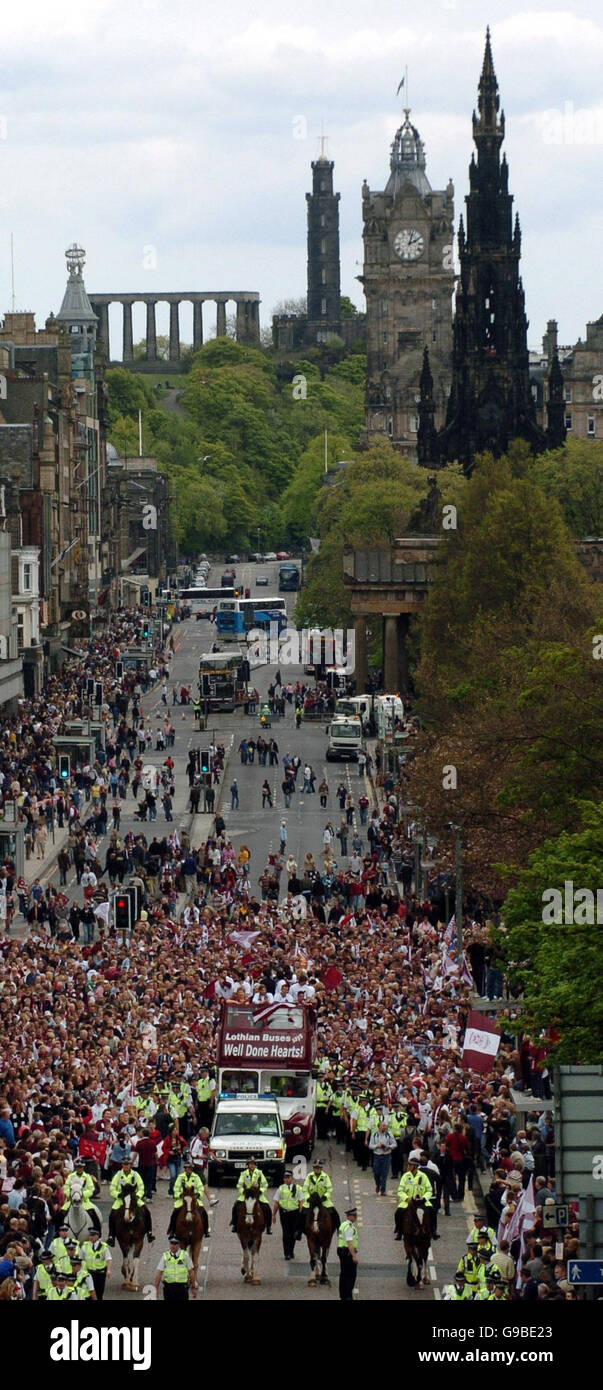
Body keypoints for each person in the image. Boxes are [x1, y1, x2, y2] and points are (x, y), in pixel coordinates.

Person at [107, 1157, 154, 1246]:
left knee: (147, 1212)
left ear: (130, 1165)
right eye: (124, 1164)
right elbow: (112, 1188)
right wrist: (117, 1195)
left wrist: (138, 1196)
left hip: (134, 1200)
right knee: (112, 1215)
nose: (126, 1166)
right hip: (121, 1200)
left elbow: (141, 1187)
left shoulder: (135, 1175)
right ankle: (111, 1236)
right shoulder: (118, 1175)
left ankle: (149, 1232)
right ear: (122, 1165)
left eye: (127, 1164)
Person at [394, 1155, 433, 1238]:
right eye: (408, 1165)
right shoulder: (405, 1176)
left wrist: (424, 1198)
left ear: (415, 1166)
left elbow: (429, 1190)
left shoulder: (423, 1176)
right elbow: (400, 1191)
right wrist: (406, 1198)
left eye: (410, 1165)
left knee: (432, 1212)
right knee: (398, 1213)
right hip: (408, 1201)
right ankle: (399, 1230)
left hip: (421, 1201)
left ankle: (433, 1231)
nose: (408, 1166)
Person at [230, 1158, 272, 1234]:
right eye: (250, 1164)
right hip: (246, 1194)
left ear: (255, 1165)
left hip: (257, 1194)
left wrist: (261, 1191)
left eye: (253, 1164)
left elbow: (265, 1184)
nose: (252, 1165)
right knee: (235, 1207)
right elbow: (239, 1185)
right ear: (248, 1165)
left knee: (267, 1208)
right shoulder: (243, 1174)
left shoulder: (259, 1173)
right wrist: (243, 1191)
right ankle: (235, 1225)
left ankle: (268, 1227)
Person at [167, 1158, 206, 1237]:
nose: (187, 1170)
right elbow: (176, 1189)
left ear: (192, 1169)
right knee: (175, 1214)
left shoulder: (196, 1177)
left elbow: (201, 1188)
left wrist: (198, 1194)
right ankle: (172, 1230)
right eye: (186, 1168)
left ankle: (206, 1230)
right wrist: (179, 1195)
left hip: (194, 1200)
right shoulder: (180, 1177)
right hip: (182, 1200)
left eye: (189, 1168)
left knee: (204, 1213)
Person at [61, 1159, 101, 1233]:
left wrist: (82, 1195)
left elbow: (91, 1189)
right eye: (78, 1167)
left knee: (94, 1214)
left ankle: (97, 1232)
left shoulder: (87, 1177)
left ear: (83, 1168)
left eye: (81, 1167)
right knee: (61, 1213)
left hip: (84, 1201)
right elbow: (66, 1188)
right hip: (71, 1200)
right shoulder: (71, 1176)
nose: (79, 1169)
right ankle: (58, 1232)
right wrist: (71, 1195)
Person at [272, 1169, 303, 1260]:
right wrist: (274, 1215)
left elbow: (301, 1201)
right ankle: (286, 1253)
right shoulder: (281, 1188)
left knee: (293, 1233)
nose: (286, 1179)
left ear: (292, 1178)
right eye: (285, 1178)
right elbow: (276, 1202)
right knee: (286, 1233)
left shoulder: (298, 1188)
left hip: (295, 1213)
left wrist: (301, 1214)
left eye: (288, 1177)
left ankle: (291, 1250)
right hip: (284, 1213)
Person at [300, 1159, 340, 1228]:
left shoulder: (325, 1177)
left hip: (323, 1201)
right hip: (311, 1200)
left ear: (321, 1168)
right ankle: (299, 1232)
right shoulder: (309, 1176)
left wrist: (325, 1196)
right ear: (313, 1168)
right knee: (301, 1215)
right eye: (316, 1167)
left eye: (319, 1168)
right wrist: (308, 1197)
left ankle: (338, 1230)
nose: (317, 1169)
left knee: (335, 1215)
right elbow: (304, 1189)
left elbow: (329, 1189)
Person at [154, 1235, 196, 1301]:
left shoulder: (185, 1255)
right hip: (169, 1288)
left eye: (175, 1243)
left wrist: (193, 1287)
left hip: (182, 1288)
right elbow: (159, 1273)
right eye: (171, 1243)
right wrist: (156, 1288)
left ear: (179, 1245)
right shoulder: (165, 1256)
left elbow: (191, 1272)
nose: (173, 1245)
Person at [80, 1226, 112, 1301]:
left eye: (93, 1235)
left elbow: (109, 1259)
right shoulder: (85, 1246)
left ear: (97, 1236)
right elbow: (80, 1260)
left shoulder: (103, 1247)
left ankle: (112, 1235)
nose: (91, 1237)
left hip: (100, 1273)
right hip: (89, 1273)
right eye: (90, 1235)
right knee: (90, 1293)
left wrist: (108, 1270)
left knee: (99, 1293)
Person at [337, 1205, 359, 1301]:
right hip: (347, 1252)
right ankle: (348, 1295)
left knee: (343, 1274)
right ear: (350, 1216)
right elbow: (349, 1243)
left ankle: (343, 1294)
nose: (356, 1217)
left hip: (341, 1251)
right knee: (351, 1275)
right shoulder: (349, 1227)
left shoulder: (343, 1224)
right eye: (354, 1216)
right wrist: (354, 1256)